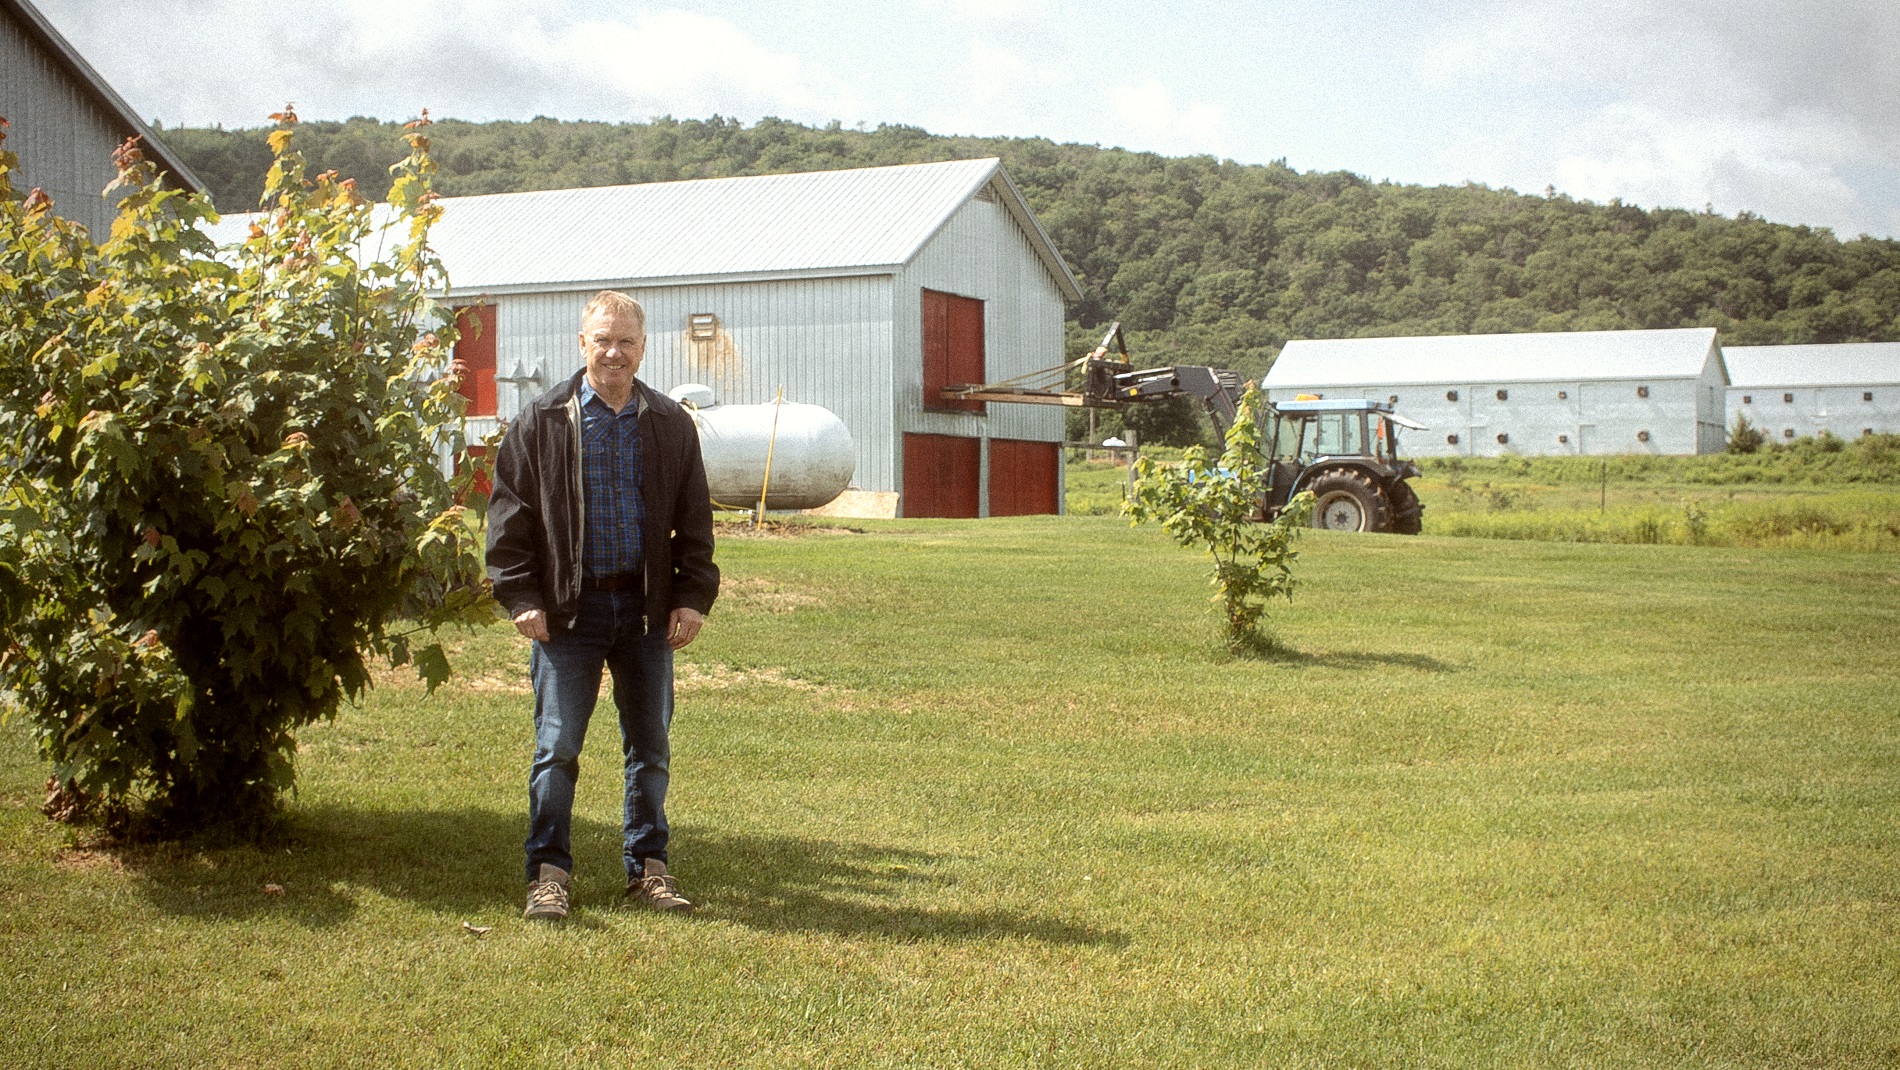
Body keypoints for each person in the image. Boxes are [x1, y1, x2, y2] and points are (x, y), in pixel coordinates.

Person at [486, 290, 719, 921]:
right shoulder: (540, 421)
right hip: (568, 615)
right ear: (581, 343)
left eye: (627, 341)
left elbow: (694, 523)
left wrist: (692, 598)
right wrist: (522, 597)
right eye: (602, 339)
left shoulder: (670, 424)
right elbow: (509, 519)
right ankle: (548, 874)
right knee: (557, 746)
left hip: (645, 614)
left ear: (643, 347)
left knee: (650, 746)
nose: (613, 352)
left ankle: (648, 869)